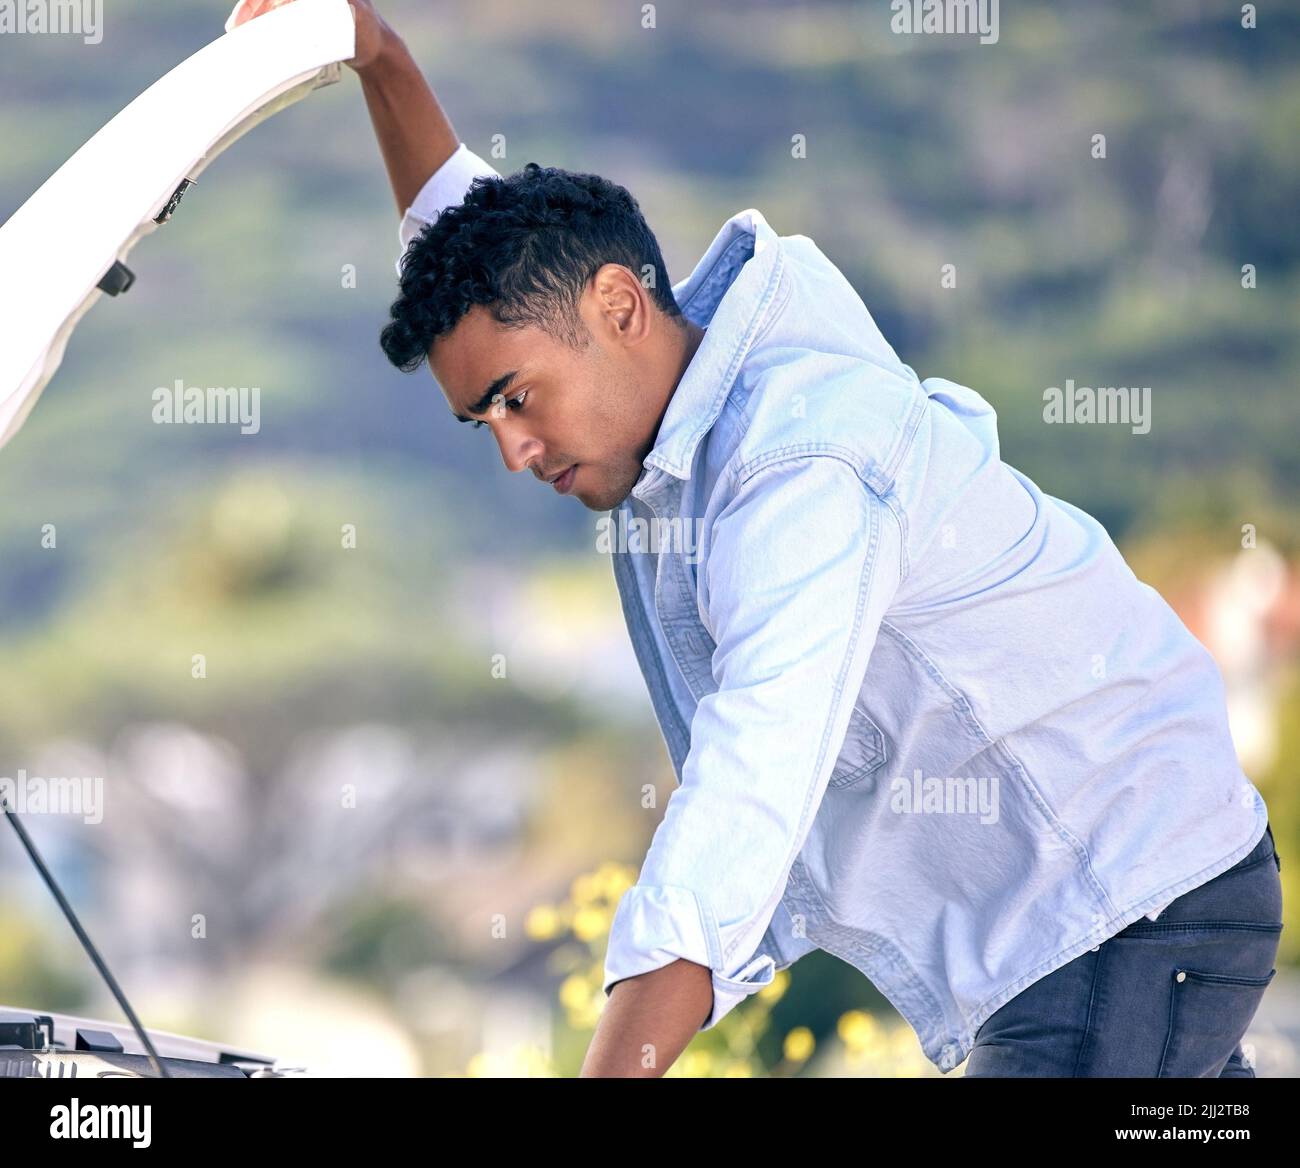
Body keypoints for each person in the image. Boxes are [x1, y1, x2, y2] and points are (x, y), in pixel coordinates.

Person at [334, 0, 1282, 1077]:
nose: (512, 449)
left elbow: (747, 792)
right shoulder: (642, 368)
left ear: (618, 306)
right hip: (1094, 903)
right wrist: (380, 57)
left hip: (1123, 896)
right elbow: (464, 233)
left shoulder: (798, 471)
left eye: (515, 400)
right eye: (482, 421)